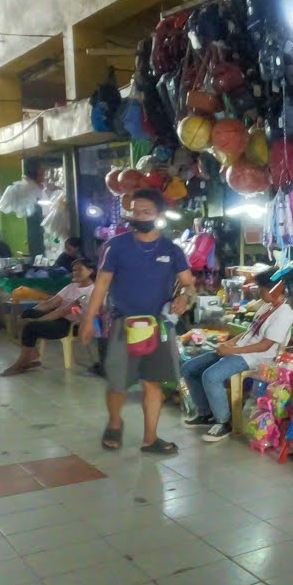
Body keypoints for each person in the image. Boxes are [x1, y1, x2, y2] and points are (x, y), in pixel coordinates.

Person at [81, 189, 195, 455]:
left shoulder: (172, 249)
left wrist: (184, 297)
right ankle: (114, 422)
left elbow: (189, 285)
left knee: (153, 382)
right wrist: (88, 320)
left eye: (146, 212)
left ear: (159, 216)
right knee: (118, 381)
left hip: (159, 325)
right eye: (135, 211)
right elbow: (101, 285)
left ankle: (150, 438)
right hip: (124, 324)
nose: (138, 216)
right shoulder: (116, 246)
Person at [181, 270, 293, 442]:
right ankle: (206, 413)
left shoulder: (285, 313)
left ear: (274, 290)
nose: (258, 292)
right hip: (241, 350)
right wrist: (230, 343)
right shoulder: (267, 307)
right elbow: (249, 332)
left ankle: (223, 422)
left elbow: (265, 345)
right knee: (189, 369)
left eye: (261, 289)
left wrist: (231, 350)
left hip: (257, 357)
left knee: (210, 377)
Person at [0, 258, 96, 376]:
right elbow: (51, 303)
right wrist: (31, 314)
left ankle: (21, 363)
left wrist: (36, 320)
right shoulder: (72, 287)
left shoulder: (93, 290)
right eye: (74, 270)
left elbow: (63, 311)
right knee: (27, 313)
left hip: (71, 325)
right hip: (59, 318)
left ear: (90, 271)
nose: (75, 272)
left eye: (79, 269)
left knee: (30, 326)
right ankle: (32, 354)